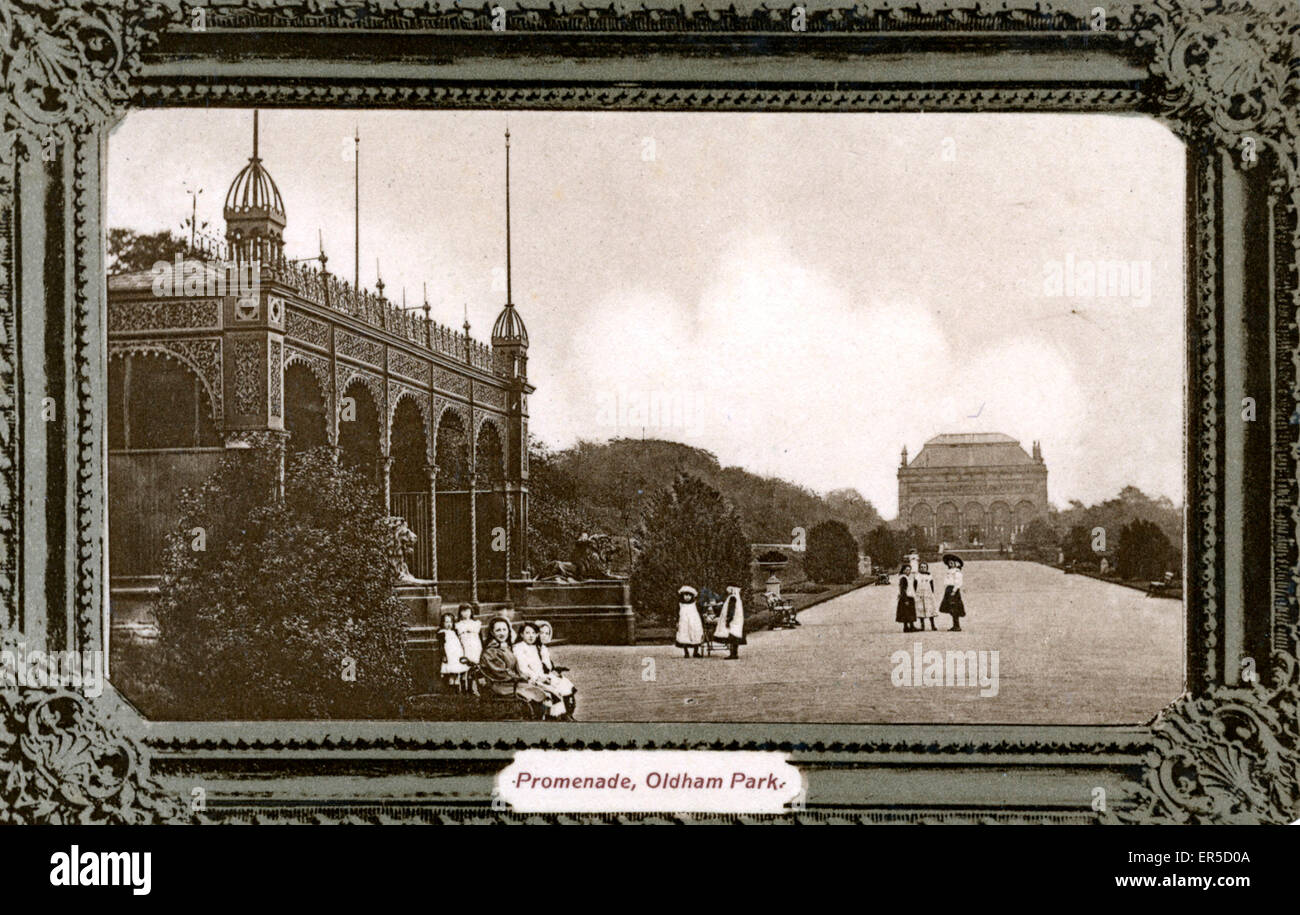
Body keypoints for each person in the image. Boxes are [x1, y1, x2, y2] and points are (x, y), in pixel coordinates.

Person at [478, 617, 552, 716]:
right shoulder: (491, 651)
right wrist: (521, 677)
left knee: (546, 690)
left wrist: (525, 676)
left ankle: (546, 717)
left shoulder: (505, 647)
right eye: (498, 630)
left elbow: (516, 667)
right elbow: (501, 672)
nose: (502, 633)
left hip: (512, 681)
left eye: (504, 630)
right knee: (539, 693)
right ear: (492, 632)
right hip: (502, 684)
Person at [514, 622, 569, 718]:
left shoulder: (535, 647)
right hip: (528, 679)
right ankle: (550, 717)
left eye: (533, 633)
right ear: (522, 634)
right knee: (551, 693)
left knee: (563, 686)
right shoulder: (518, 648)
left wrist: (544, 677)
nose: (531, 636)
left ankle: (563, 714)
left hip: (540, 677)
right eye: (527, 633)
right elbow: (523, 668)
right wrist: (539, 678)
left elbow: (540, 667)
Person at [536, 620, 577, 715]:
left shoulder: (544, 649)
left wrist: (554, 670)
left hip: (548, 675)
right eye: (541, 632)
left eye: (547, 633)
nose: (544, 635)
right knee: (559, 688)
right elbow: (541, 667)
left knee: (567, 685)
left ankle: (568, 712)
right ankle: (560, 713)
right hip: (541, 677)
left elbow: (549, 665)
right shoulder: (534, 649)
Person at [438, 612, 469, 690]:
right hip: (449, 655)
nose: (449, 624)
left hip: (456, 654)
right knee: (452, 672)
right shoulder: (442, 633)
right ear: (443, 623)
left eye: (450, 622)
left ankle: (457, 687)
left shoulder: (454, 632)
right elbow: (441, 646)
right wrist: (444, 655)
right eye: (446, 622)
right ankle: (451, 688)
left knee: (457, 671)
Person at [713, 585, 746, 660]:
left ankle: (733, 654)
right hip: (737, 620)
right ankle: (735, 653)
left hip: (733, 620)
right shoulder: (737, 598)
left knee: (731, 637)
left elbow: (731, 610)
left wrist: (728, 619)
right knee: (735, 636)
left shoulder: (732, 598)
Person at [674, 585, 705, 657]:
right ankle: (686, 652)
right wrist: (677, 622)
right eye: (685, 595)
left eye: (689, 595)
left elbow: (700, 612)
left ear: (692, 596)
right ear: (682, 596)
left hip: (694, 622)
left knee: (695, 634)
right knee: (684, 635)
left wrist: (702, 620)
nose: (687, 597)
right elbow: (677, 614)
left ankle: (695, 652)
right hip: (684, 622)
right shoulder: (680, 605)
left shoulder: (695, 604)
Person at [940, 554, 966, 631]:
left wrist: (954, 590)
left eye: (952, 563)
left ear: (956, 564)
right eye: (949, 563)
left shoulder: (957, 572)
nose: (950, 564)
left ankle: (957, 625)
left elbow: (958, 582)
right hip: (948, 590)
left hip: (953, 590)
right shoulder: (949, 571)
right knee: (950, 608)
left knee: (954, 607)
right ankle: (955, 624)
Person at [912, 561, 938, 631]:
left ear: (927, 568)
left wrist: (931, 593)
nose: (923, 569)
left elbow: (932, 585)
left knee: (930, 608)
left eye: (924, 567)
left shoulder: (929, 576)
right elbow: (915, 585)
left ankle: (933, 625)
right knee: (921, 609)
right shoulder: (917, 576)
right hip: (920, 594)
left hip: (928, 594)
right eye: (921, 567)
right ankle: (922, 625)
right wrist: (916, 593)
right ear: (919, 568)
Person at [895, 563, 917, 632]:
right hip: (906, 597)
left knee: (910, 612)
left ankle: (911, 626)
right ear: (903, 570)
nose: (908, 571)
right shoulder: (903, 578)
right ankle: (906, 627)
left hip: (910, 596)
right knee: (906, 612)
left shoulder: (908, 577)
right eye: (906, 570)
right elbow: (903, 589)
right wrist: (905, 599)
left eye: (909, 570)